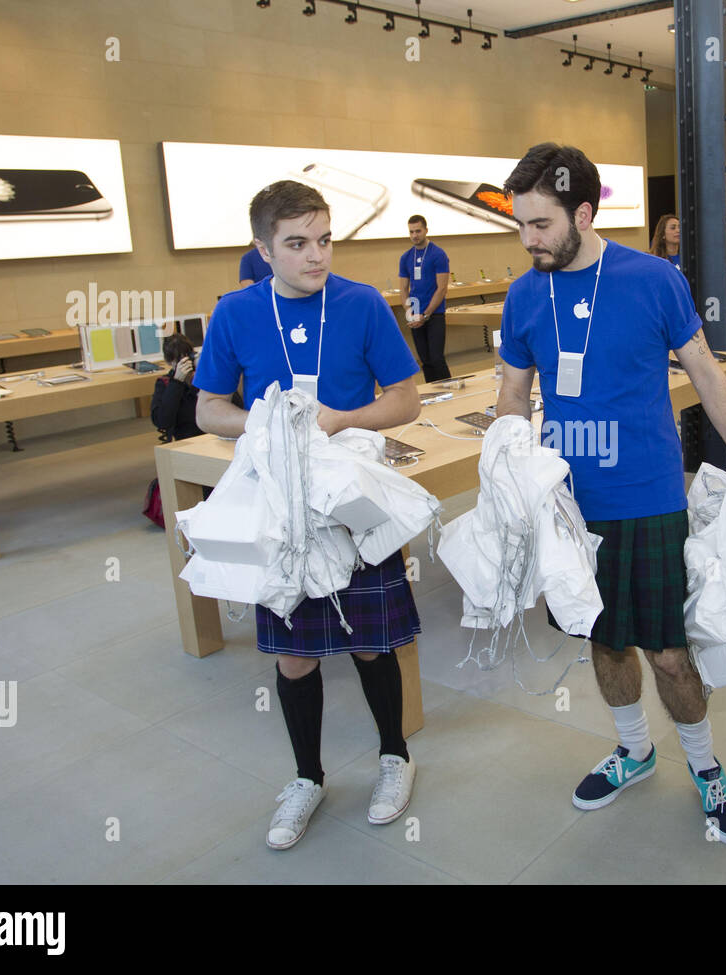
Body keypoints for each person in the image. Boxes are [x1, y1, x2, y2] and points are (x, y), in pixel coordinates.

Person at [497, 143, 726, 845]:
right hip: (568, 504)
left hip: (648, 496)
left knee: (668, 650)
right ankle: (634, 748)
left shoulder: (653, 279)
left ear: (583, 212)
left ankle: (706, 767)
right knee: (603, 636)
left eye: (540, 225)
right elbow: (512, 391)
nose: (528, 240)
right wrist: (506, 475)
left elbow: (706, 371)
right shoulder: (528, 290)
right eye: (520, 225)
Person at [192, 180, 424, 849]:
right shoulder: (235, 312)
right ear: (263, 249)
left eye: (324, 239)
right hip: (281, 505)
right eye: (296, 244)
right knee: (294, 656)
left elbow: (406, 399)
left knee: (372, 640)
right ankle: (307, 777)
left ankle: (393, 756)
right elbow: (209, 408)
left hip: (353, 500)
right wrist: (269, 423)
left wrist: (340, 418)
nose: (315, 255)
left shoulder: (363, 304)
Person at [398, 214, 452, 383]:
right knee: (425, 361)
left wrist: (426, 315)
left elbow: (442, 288)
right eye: (411, 232)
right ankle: (433, 394)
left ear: (426, 230)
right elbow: (403, 289)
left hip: (434, 314)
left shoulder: (438, 254)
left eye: (418, 231)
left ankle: (448, 390)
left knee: (436, 358)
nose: (415, 235)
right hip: (415, 315)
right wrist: (410, 313)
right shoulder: (406, 258)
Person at [150, 334, 203, 442]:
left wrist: (204, 373)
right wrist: (176, 383)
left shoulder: (202, 377)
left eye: (187, 357)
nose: (185, 364)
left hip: (211, 434)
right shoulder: (165, 383)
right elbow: (162, 421)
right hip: (186, 439)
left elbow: (234, 403)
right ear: (169, 362)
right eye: (179, 360)